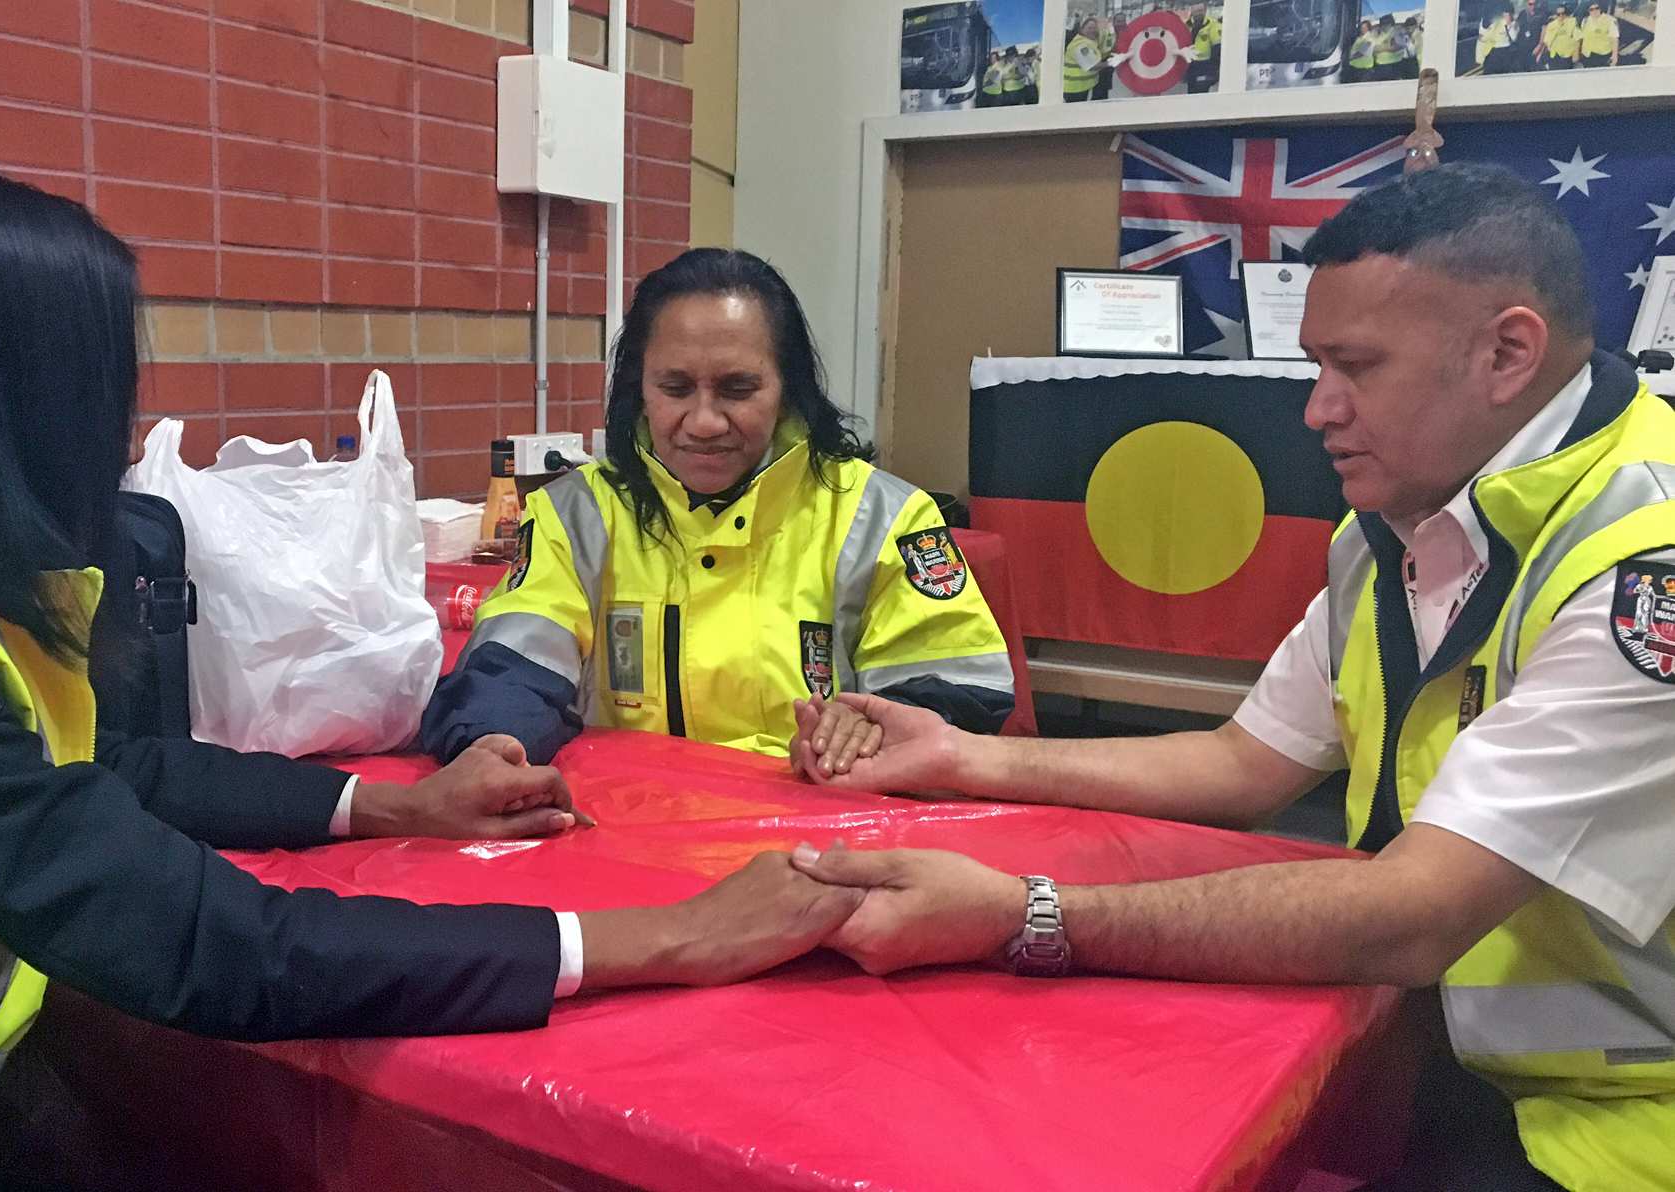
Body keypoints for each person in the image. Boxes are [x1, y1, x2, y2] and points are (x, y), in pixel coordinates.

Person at [0, 170, 865, 1192]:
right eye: (100, 394)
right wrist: (658, 939)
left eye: (738, 388)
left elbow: (84, 770)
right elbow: (193, 934)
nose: (116, 442)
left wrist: (393, 804)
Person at [787, 165, 1675, 1192]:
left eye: (1356, 366)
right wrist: (958, 753)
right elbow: (1243, 759)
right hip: (1438, 1050)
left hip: (1618, 1118)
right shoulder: (1395, 524)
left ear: (1507, 353)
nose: (1317, 409)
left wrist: (1024, 914)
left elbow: (1412, 913)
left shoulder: (1644, 560)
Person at [421, 248, 1014, 769]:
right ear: (639, 390)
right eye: (675, 389)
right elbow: (511, 668)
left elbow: (957, 685)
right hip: (621, 845)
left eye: (737, 389)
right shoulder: (575, 515)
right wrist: (493, 744)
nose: (703, 422)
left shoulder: (885, 517)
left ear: (788, 391)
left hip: (818, 854)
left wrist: (877, 727)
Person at [1064, 16, 1105, 100]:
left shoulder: (1088, 40)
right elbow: (1092, 66)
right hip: (1075, 87)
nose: (1093, 30)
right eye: (1089, 28)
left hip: (1081, 85)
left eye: (1094, 28)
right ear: (1081, 29)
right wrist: (1111, 62)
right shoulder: (1080, 45)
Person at [1185, 2, 1222, 92]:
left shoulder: (1213, 25)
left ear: (1205, 10)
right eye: (1196, 11)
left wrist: (1214, 68)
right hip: (1191, 66)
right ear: (1192, 11)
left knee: (1202, 92)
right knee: (1191, 92)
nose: (1198, 13)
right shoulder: (1187, 25)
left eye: (1200, 11)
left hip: (1206, 65)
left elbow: (1217, 48)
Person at [1475, 6, 1518, 72]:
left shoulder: (1507, 18)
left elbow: (1514, 37)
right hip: (1491, 53)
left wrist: (1509, 23)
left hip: (1505, 51)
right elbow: (1482, 39)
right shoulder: (1486, 20)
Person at [1577, 1, 1620, 65]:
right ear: (1588, 11)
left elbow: (1614, 39)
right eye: (1591, 9)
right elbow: (1582, 38)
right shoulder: (1585, 20)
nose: (1594, 11)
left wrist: (1615, 55)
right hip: (1586, 55)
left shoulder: (1610, 20)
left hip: (1602, 55)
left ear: (1600, 8)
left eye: (1597, 8)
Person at [1372, 12, 1409, 78]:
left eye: (1387, 23)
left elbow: (1396, 47)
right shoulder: (1379, 34)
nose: (1384, 25)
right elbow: (1372, 49)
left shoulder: (1397, 31)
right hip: (1380, 66)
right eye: (1382, 23)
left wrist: (1380, 48)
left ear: (1391, 23)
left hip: (1394, 66)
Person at [1092, 12, 1119, 99]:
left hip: (1104, 62)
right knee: (1100, 88)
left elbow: (1110, 43)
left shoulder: (1108, 31)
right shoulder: (1102, 32)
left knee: (1102, 88)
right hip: (1101, 62)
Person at [1512, 0, 1546, 66]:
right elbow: (1516, 28)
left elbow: (1544, 30)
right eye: (1530, 4)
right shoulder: (1522, 13)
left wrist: (1540, 45)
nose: (1533, 6)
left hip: (1534, 47)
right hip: (1521, 47)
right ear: (1527, 4)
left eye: (1535, 4)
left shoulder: (1542, 15)